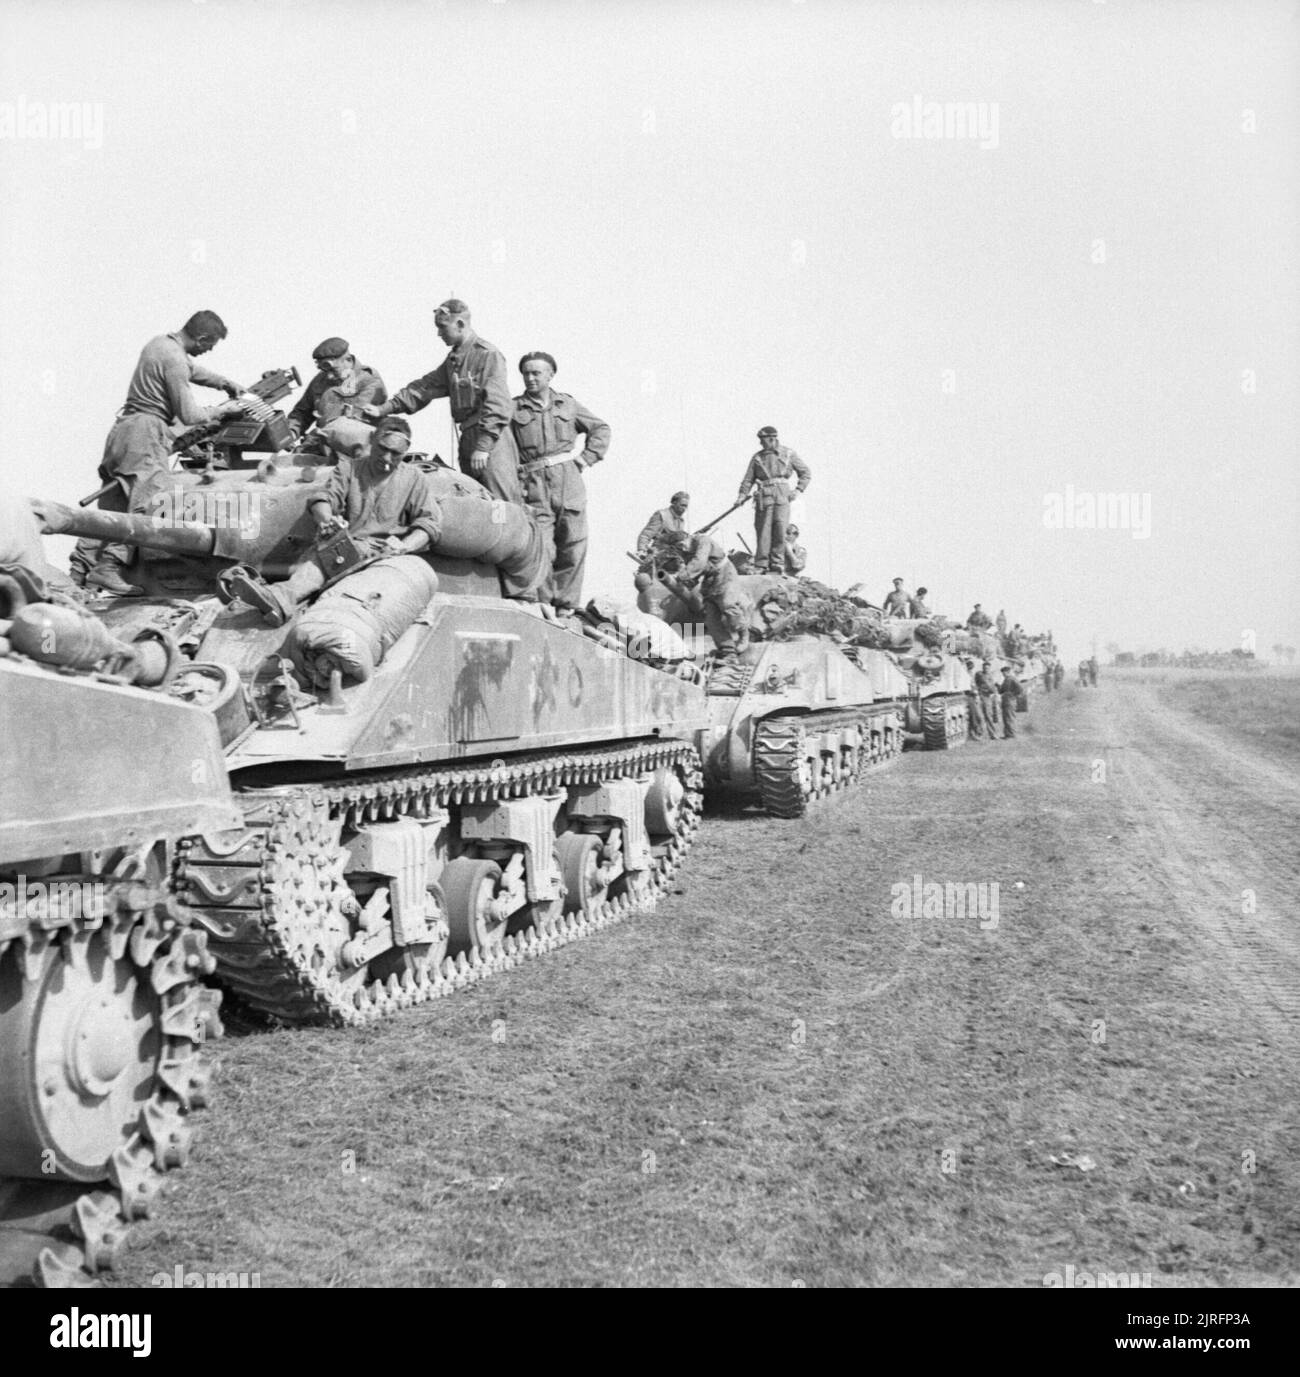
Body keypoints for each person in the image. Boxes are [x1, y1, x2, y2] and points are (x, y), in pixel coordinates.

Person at [71, 311, 245, 595]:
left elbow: (191, 370)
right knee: (148, 503)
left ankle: (78, 574)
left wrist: (224, 382)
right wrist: (223, 411)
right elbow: (189, 415)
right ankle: (110, 567)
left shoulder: (160, 344)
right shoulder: (176, 359)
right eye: (209, 345)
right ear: (202, 338)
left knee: (113, 507)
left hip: (123, 431)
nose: (208, 351)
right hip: (146, 434)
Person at [227, 418, 441, 626]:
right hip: (347, 545)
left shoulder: (414, 479)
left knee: (328, 565)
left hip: (387, 554)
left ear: (404, 453)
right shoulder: (349, 469)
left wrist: (405, 546)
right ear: (372, 442)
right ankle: (281, 601)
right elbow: (323, 499)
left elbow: (429, 522)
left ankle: (281, 599)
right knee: (327, 554)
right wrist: (327, 520)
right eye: (382, 448)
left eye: (395, 454)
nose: (386, 458)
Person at [364, 298, 522, 504]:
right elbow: (424, 388)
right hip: (468, 437)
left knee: (503, 505)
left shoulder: (487, 355)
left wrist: (484, 446)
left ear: (460, 324)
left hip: (490, 439)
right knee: (477, 503)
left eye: (442, 327)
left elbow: (498, 404)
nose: (439, 334)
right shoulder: (453, 361)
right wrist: (382, 409)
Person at [509, 352, 610, 615]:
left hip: (568, 479)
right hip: (532, 483)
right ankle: (543, 602)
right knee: (541, 545)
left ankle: (566, 604)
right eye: (526, 373)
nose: (530, 378)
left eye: (536, 373)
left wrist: (585, 459)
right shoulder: (513, 408)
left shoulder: (568, 405)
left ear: (550, 374)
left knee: (574, 544)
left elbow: (600, 429)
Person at [661, 528, 752, 657]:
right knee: (710, 618)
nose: (682, 549)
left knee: (727, 605)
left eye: (682, 544)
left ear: (688, 538)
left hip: (725, 575)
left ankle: (744, 633)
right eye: (678, 547)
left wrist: (682, 576)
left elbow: (699, 562)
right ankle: (727, 647)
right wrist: (685, 582)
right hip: (710, 581)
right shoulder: (685, 551)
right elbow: (696, 573)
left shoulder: (703, 541)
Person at [288, 337, 387, 448]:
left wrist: (315, 437)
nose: (329, 376)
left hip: (357, 451)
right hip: (322, 446)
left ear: (348, 360)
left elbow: (353, 425)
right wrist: (290, 433)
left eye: (333, 370)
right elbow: (302, 412)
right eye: (325, 370)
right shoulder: (320, 380)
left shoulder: (369, 380)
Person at [736, 426, 810, 574]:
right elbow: (748, 479)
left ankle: (777, 563)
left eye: (763, 440)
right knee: (763, 530)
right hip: (765, 496)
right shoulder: (757, 457)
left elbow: (805, 472)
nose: (761, 444)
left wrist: (798, 490)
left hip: (783, 495)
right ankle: (761, 564)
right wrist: (742, 496)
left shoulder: (788, 453)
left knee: (780, 529)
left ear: (772, 439)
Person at [637, 492, 690, 559]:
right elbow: (646, 534)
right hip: (659, 553)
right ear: (674, 503)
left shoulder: (681, 520)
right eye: (682, 505)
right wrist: (641, 550)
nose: (684, 509)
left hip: (674, 554)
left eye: (686, 506)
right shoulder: (662, 515)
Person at [973, 660, 1000, 740]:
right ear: (983, 668)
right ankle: (979, 734)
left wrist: (994, 693)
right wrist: (977, 691)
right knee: (978, 716)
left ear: (990, 668)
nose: (986, 669)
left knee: (988, 716)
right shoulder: (979, 674)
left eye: (988, 668)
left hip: (987, 697)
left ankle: (993, 734)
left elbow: (993, 688)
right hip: (979, 695)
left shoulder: (991, 676)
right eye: (985, 667)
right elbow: (976, 683)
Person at [999, 663, 1022, 737]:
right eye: (1002, 673)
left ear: (1008, 672)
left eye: (1004, 672)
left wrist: (1012, 695)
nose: (1003, 674)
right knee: (1005, 718)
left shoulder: (1012, 679)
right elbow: (1001, 691)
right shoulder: (1005, 680)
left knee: (1010, 717)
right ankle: (1007, 734)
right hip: (1005, 701)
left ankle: (1012, 734)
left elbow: (1020, 689)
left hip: (1010, 701)